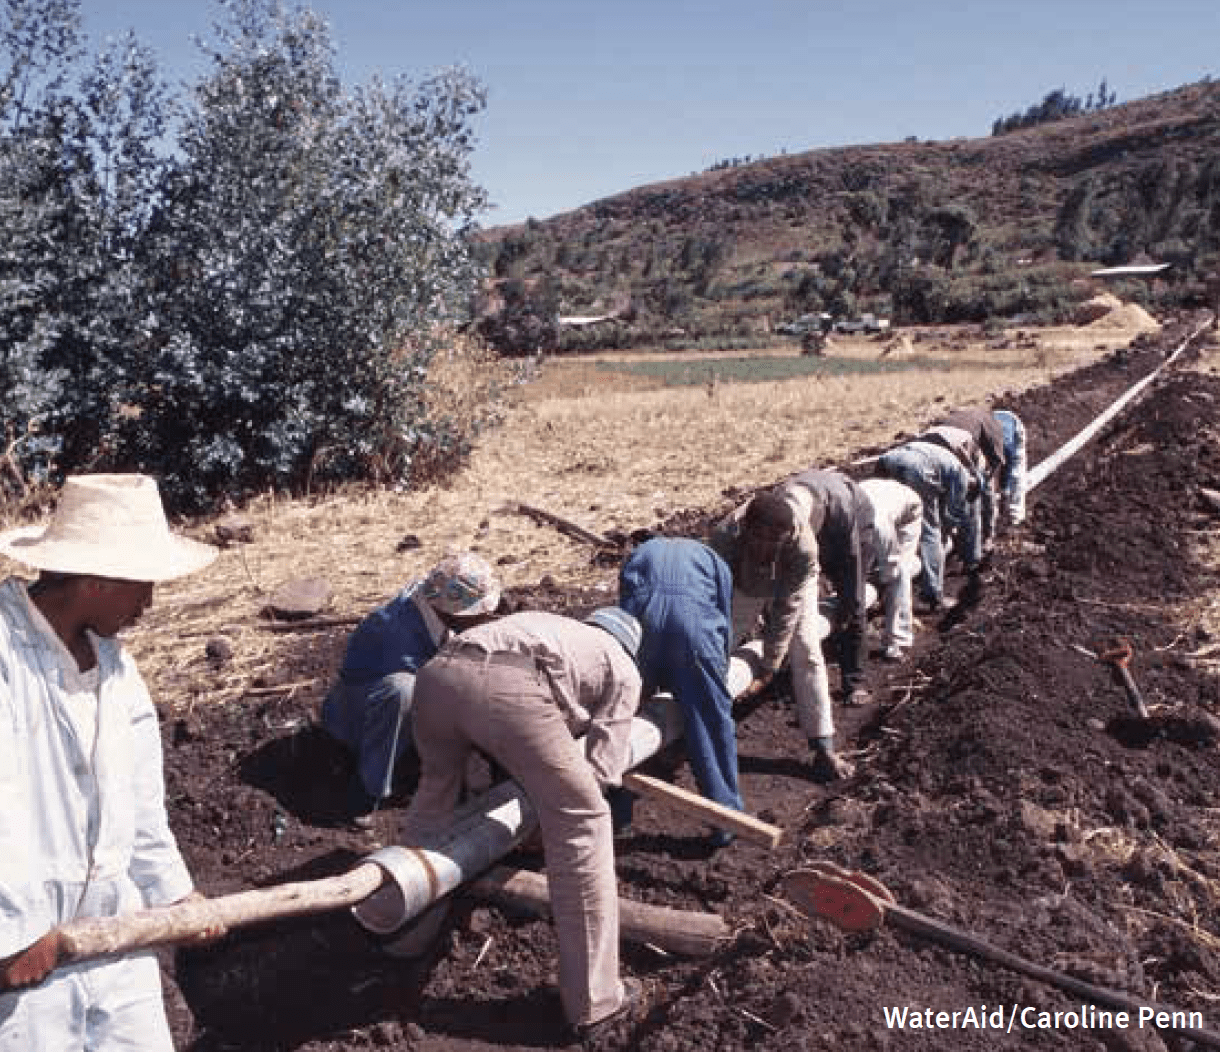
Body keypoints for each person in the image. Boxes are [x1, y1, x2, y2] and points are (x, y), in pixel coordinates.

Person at [0, 473, 222, 1052]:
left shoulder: (117, 670)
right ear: (96, 582)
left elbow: (142, 806)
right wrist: (9, 933)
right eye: (141, 585)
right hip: (23, 952)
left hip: (117, 938)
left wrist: (174, 895)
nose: (148, 603)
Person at [396, 606, 647, 1037]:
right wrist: (548, 817)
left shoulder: (551, 627)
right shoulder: (623, 666)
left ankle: (396, 927)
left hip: (437, 675)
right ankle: (595, 1001)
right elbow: (602, 774)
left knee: (436, 795)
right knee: (583, 819)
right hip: (507, 683)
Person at [709, 467, 873, 782]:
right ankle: (691, 720)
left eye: (776, 540)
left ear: (788, 536)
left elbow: (787, 608)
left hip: (794, 576)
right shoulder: (725, 536)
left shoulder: (803, 547)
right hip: (742, 576)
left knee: (808, 648)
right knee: (718, 638)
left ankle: (823, 746)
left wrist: (770, 665)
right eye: (759, 537)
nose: (766, 546)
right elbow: (714, 593)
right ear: (746, 528)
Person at [321, 552, 501, 825]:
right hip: (358, 716)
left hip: (399, 707)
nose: (483, 618)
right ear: (449, 611)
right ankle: (369, 789)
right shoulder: (395, 631)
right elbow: (439, 686)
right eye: (476, 614)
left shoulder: (435, 603)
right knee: (404, 690)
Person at [618, 537, 741, 846]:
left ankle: (617, 809)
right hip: (694, 632)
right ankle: (724, 816)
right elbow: (723, 618)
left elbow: (624, 608)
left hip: (641, 626)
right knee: (710, 723)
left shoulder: (640, 553)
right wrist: (716, 676)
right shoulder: (715, 560)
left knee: (624, 715)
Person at [877, 436, 982, 611]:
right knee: (931, 531)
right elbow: (951, 515)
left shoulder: (949, 462)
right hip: (917, 468)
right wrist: (950, 533)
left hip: (889, 458)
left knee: (886, 519)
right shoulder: (963, 478)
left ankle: (882, 580)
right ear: (973, 486)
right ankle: (933, 595)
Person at [859, 477, 924, 661]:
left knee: (900, 572)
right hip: (877, 494)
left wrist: (885, 580)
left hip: (908, 509)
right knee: (861, 567)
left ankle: (898, 639)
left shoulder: (879, 525)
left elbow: (891, 566)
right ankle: (862, 619)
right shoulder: (841, 515)